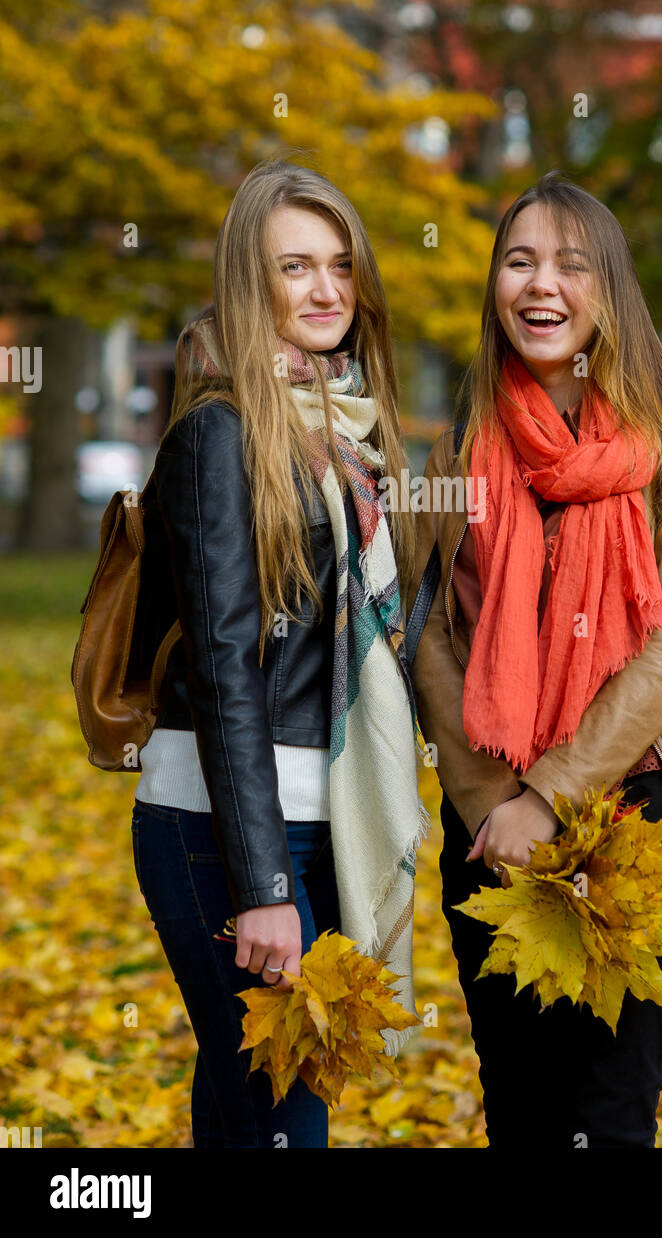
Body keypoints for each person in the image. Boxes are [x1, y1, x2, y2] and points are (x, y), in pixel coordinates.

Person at [406, 171, 662, 1149]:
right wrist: (488, 801)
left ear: (610, 293)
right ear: (494, 288)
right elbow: (425, 631)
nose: (539, 283)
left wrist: (546, 796)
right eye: (518, 261)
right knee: (520, 1106)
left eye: (569, 263)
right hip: (489, 819)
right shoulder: (457, 450)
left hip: (647, 815)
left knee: (606, 1111)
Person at [129, 159, 425, 1149]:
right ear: (246, 285)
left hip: (324, 814)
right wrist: (262, 884)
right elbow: (224, 668)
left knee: (249, 1108)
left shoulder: (354, 440)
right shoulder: (221, 435)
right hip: (227, 827)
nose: (327, 289)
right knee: (286, 1113)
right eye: (294, 266)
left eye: (340, 265)